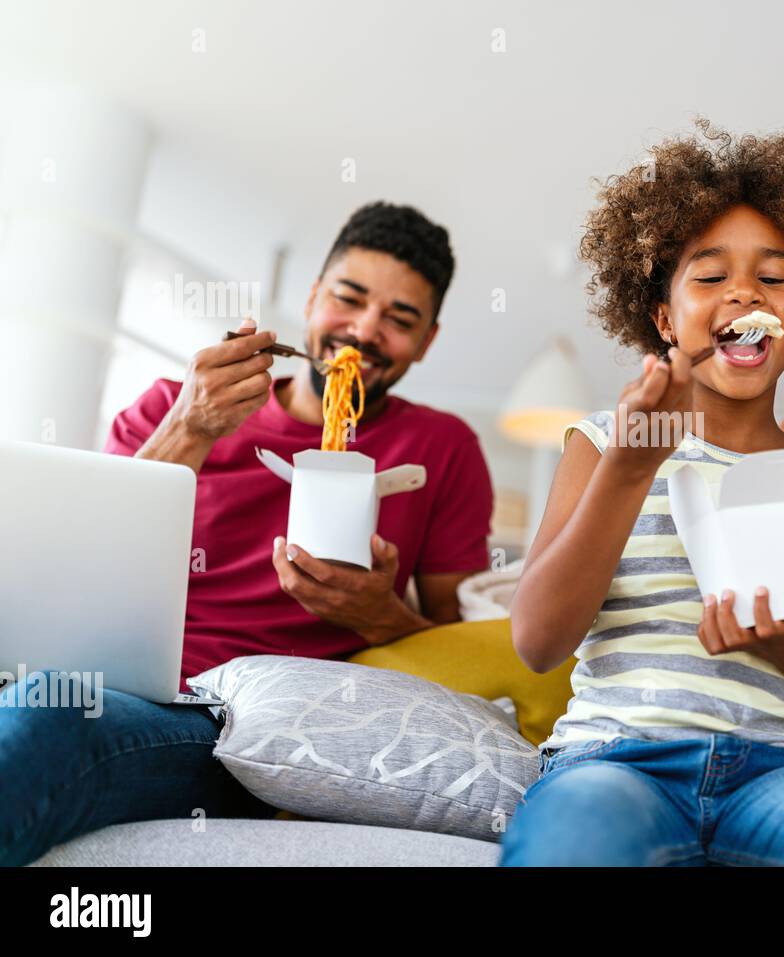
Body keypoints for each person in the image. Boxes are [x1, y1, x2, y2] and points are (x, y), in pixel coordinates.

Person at [498, 120, 784, 867]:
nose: (744, 290)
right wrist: (630, 466)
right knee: (571, 843)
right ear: (663, 317)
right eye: (710, 277)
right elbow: (538, 641)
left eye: (773, 278)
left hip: (778, 779)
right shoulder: (602, 443)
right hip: (615, 765)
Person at [0, 202, 493, 866]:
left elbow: (458, 651)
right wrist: (190, 428)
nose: (365, 332)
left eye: (400, 320)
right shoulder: (170, 406)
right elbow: (75, 571)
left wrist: (380, 617)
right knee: (42, 692)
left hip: (237, 727)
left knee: (46, 714)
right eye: (349, 299)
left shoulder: (444, 448)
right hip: (115, 676)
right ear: (313, 297)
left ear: (428, 341)